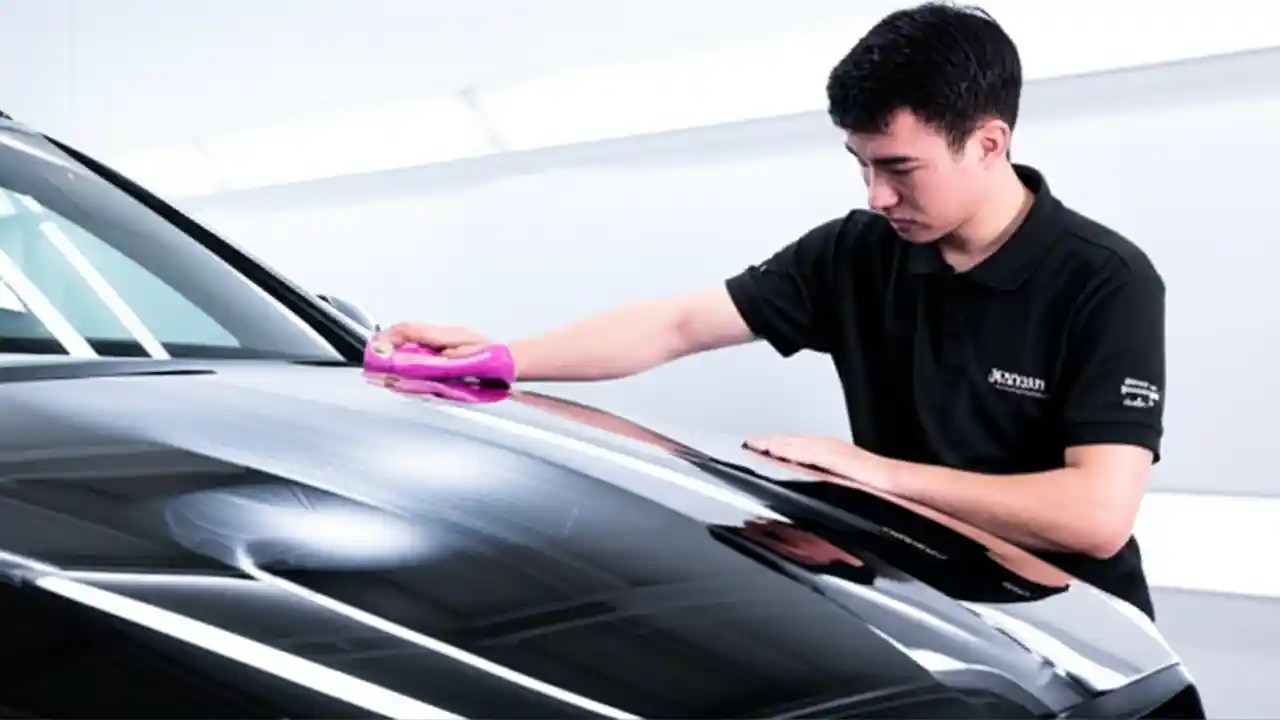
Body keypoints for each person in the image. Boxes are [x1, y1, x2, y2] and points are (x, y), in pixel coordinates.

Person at [373, 2, 1166, 620]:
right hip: (927, 604)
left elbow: (1095, 514)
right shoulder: (855, 252)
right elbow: (676, 325)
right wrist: (502, 358)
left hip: (1079, 627)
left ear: (988, 144)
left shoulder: (1104, 281)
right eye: (860, 165)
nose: (876, 195)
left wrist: (878, 476)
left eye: (900, 169)